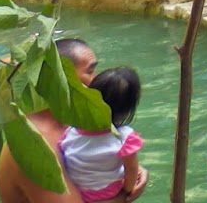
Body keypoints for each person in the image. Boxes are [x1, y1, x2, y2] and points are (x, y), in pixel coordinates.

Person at [0, 38, 100, 203]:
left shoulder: (73, 123)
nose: (98, 79)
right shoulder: (33, 141)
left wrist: (131, 170)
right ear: (62, 77)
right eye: (90, 71)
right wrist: (126, 192)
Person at [60, 67, 146, 202]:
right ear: (128, 107)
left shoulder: (71, 131)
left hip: (79, 191)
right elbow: (132, 168)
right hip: (107, 192)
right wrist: (127, 192)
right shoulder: (125, 137)